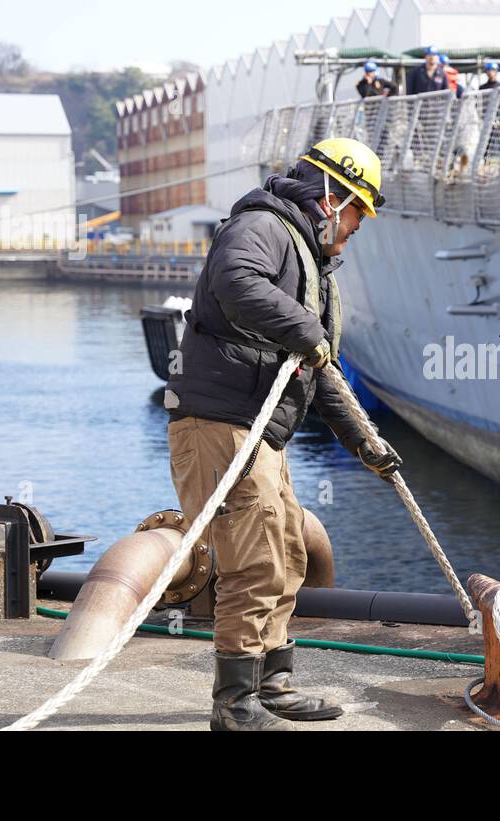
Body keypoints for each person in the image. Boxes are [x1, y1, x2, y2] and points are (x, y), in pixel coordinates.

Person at [164, 137, 403, 730]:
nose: (354, 231)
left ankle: (272, 681)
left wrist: (365, 442)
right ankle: (234, 706)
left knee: (287, 552)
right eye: (356, 215)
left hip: (257, 432)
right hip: (222, 426)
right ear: (331, 198)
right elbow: (235, 280)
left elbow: (318, 369)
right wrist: (305, 328)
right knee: (254, 561)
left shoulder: (312, 264)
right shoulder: (263, 227)